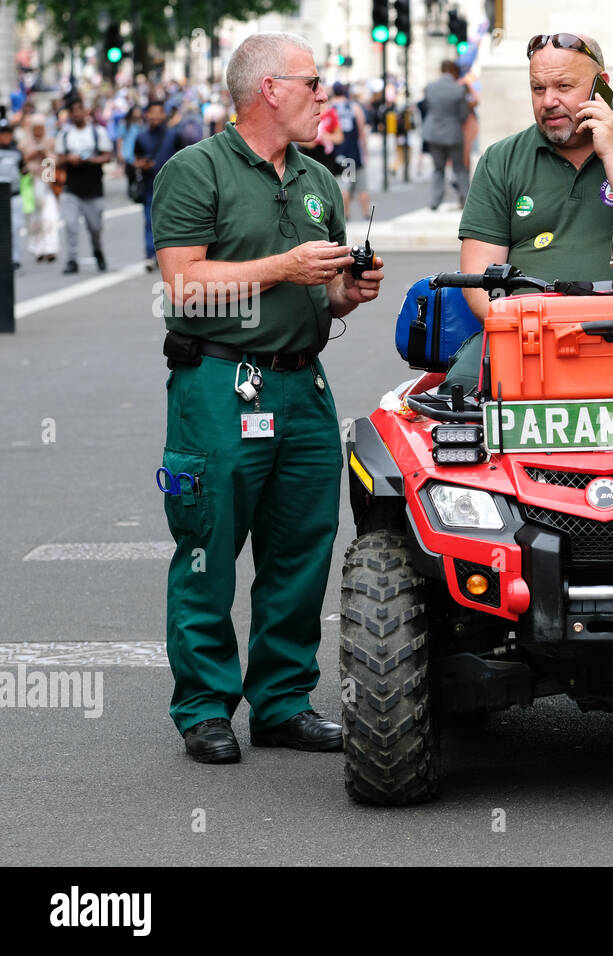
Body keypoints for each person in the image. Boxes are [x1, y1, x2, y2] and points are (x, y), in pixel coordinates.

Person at [151, 31, 385, 764]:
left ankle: (282, 702)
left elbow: (325, 295)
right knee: (209, 547)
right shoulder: (196, 170)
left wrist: (349, 291)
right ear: (269, 90)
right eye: (313, 83)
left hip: (303, 383)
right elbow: (182, 284)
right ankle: (204, 708)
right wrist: (285, 266)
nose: (325, 95)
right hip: (222, 381)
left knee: (302, 549)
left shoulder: (317, 178)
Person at [443, 31, 613, 393]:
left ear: (601, 87)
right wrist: (538, 335)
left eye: (563, 86)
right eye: (538, 89)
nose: (549, 101)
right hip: (524, 336)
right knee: (458, 404)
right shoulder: (501, 160)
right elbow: (479, 282)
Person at [54, 96, 113, 273]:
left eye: (79, 109)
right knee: (70, 225)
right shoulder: (64, 134)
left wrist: (88, 159)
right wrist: (68, 159)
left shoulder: (97, 132)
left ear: (85, 111)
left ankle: (97, 251)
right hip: (71, 188)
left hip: (93, 188)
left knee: (95, 227)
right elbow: (56, 160)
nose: (77, 114)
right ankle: (71, 260)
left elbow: (107, 156)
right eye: (73, 111)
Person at [133, 100, 182, 271]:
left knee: (172, 222)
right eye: (151, 112)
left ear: (163, 115)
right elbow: (135, 160)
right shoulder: (140, 137)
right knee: (149, 221)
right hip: (149, 186)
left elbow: (184, 158)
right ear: (146, 115)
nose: (154, 116)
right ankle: (149, 255)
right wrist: (141, 164)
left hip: (172, 187)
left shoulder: (174, 136)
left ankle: (169, 257)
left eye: (158, 112)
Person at [420, 60, 470, 210]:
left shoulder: (430, 87)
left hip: (434, 133)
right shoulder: (459, 89)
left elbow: (427, 108)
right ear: (454, 71)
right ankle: (466, 200)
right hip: (453, 134)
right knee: (459, 168)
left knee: (438, 168)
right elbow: (463, 115)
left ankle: (435, 201)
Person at [20, 113, 61, 263]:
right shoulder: (24, 143)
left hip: (46, 183)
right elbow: (21, 164)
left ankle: (51, 248)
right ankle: (38, 249)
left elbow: (53, 162)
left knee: (49, 218)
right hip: (31, 185)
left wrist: (44, 154)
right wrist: (31, 156)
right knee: (34, 221)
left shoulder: (49, 141)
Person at [330, 81, 370, 220]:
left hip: (340, 153)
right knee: (361, 186)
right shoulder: (354, 107)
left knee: (345, 186)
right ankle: (366, 214)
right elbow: (362, 131)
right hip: (354, 152)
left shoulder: (331, 108)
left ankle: (346, 215)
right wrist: (365, 151)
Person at [0, 120, 23, 270]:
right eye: (3, 133)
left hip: (14, 195)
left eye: (9, 133)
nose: (6, 136)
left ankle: (14, 258)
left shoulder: (17, 151)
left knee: (15, 228)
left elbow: (24, 169)